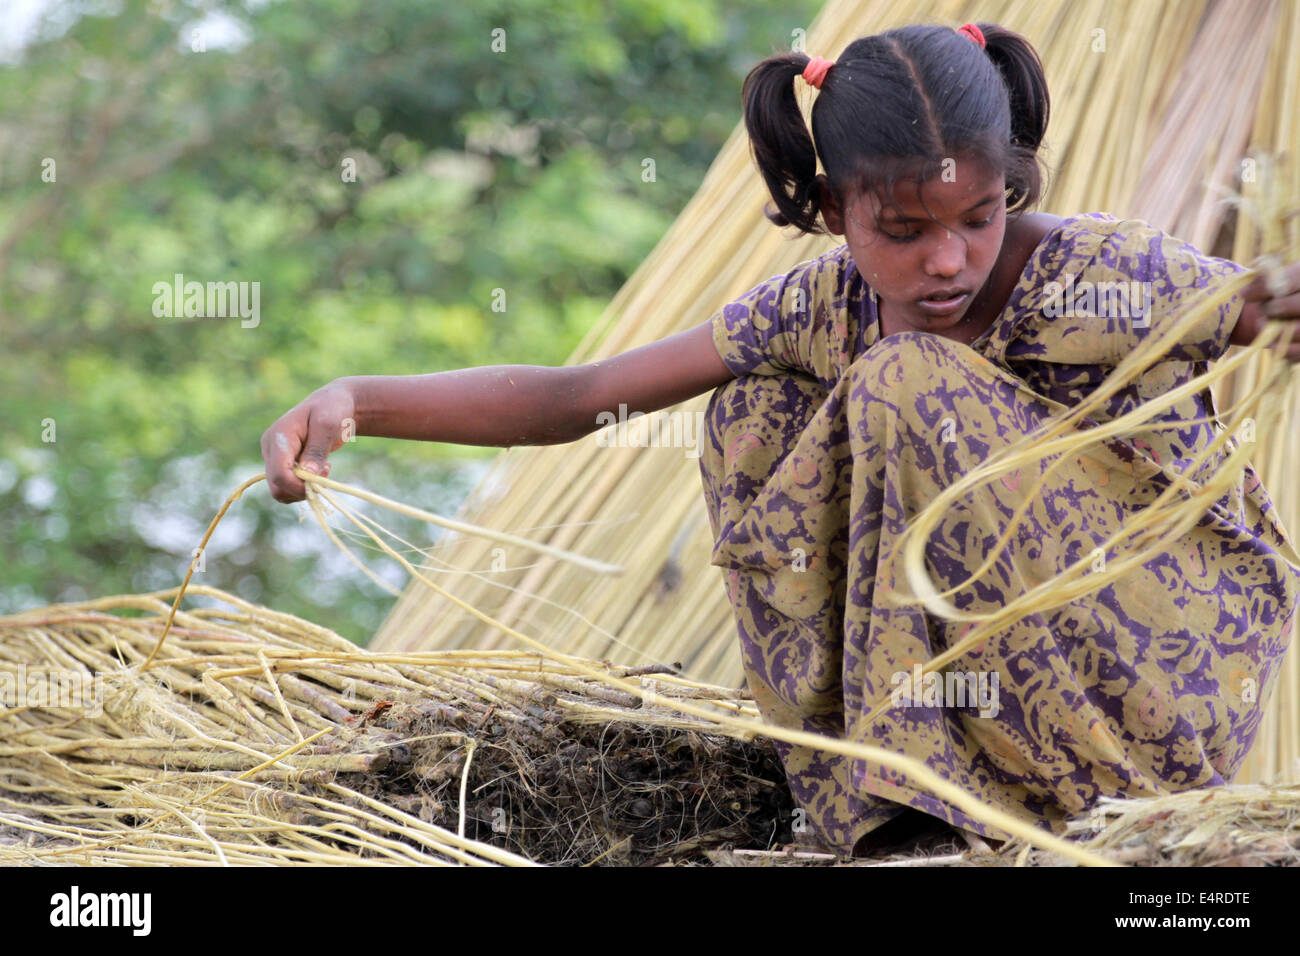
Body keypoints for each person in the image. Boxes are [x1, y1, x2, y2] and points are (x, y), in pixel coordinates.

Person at [261, 22, 1300, 857]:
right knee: (755, 407)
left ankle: (924, 802)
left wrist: (1276, 307)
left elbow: (1246, 308)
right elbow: (582, 394)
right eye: (903, 231)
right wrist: (359, 399)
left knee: (902, 381)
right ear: (828, 205)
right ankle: (881, 798)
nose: (949, 260)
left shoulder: (1099, 274)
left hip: (1148, 690)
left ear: (1007, 186)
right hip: (988, 712)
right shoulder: (821, 306)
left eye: (978, 217)